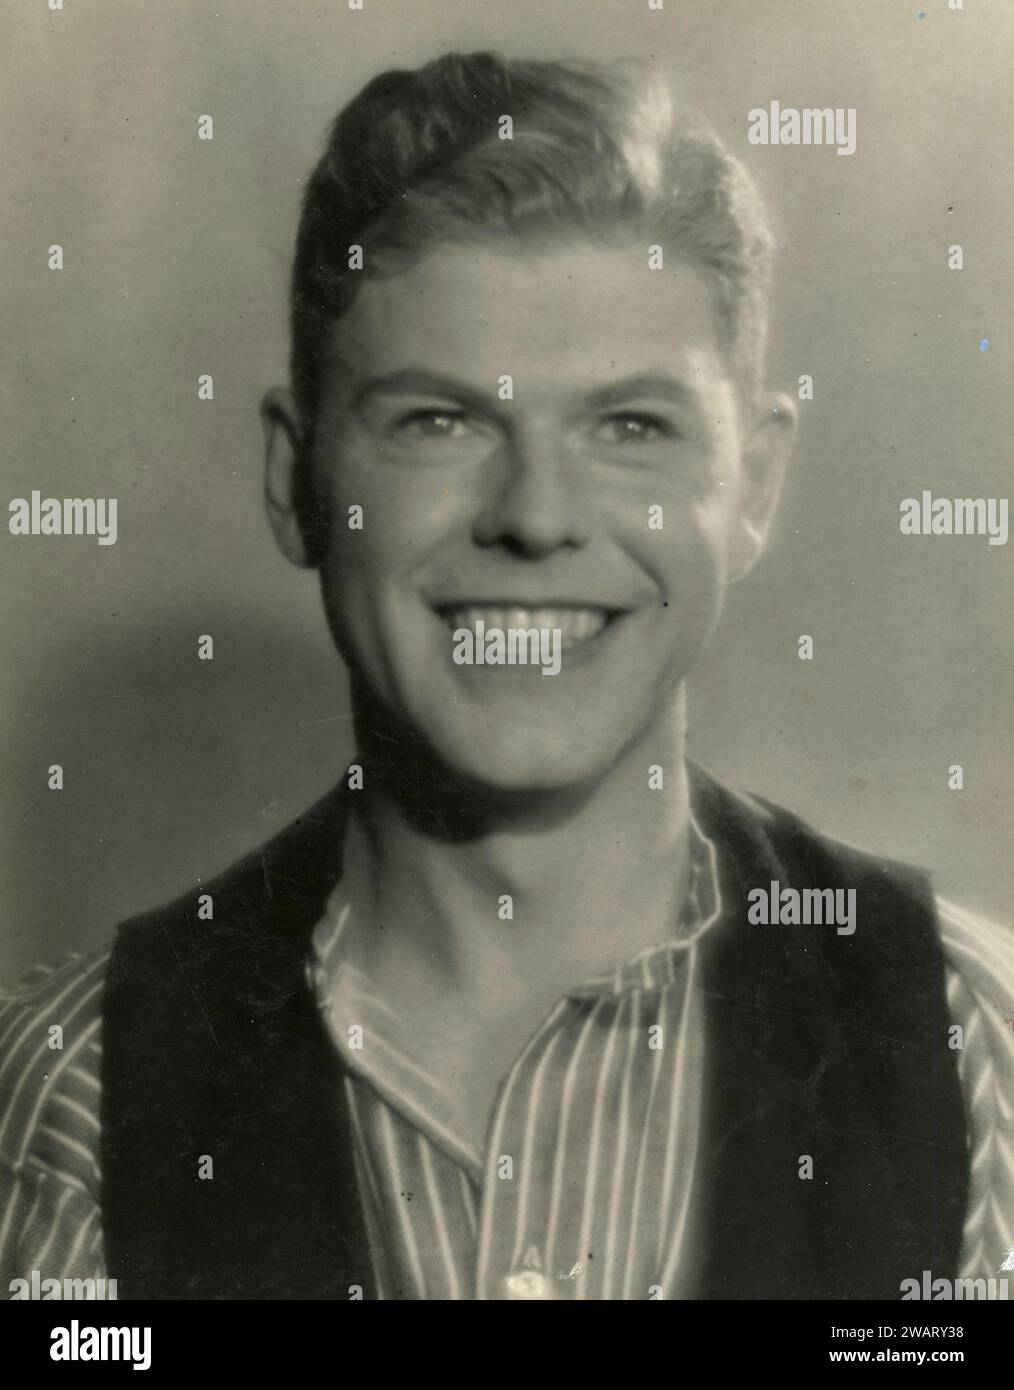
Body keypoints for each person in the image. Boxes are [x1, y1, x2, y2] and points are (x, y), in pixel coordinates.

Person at [3, 51, 1012, 1302]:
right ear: (296, 478)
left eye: (631, 426)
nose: (536, 516)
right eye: (439, 420)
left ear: (752, 487)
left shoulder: (974, 1049)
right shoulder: (78, 1094)